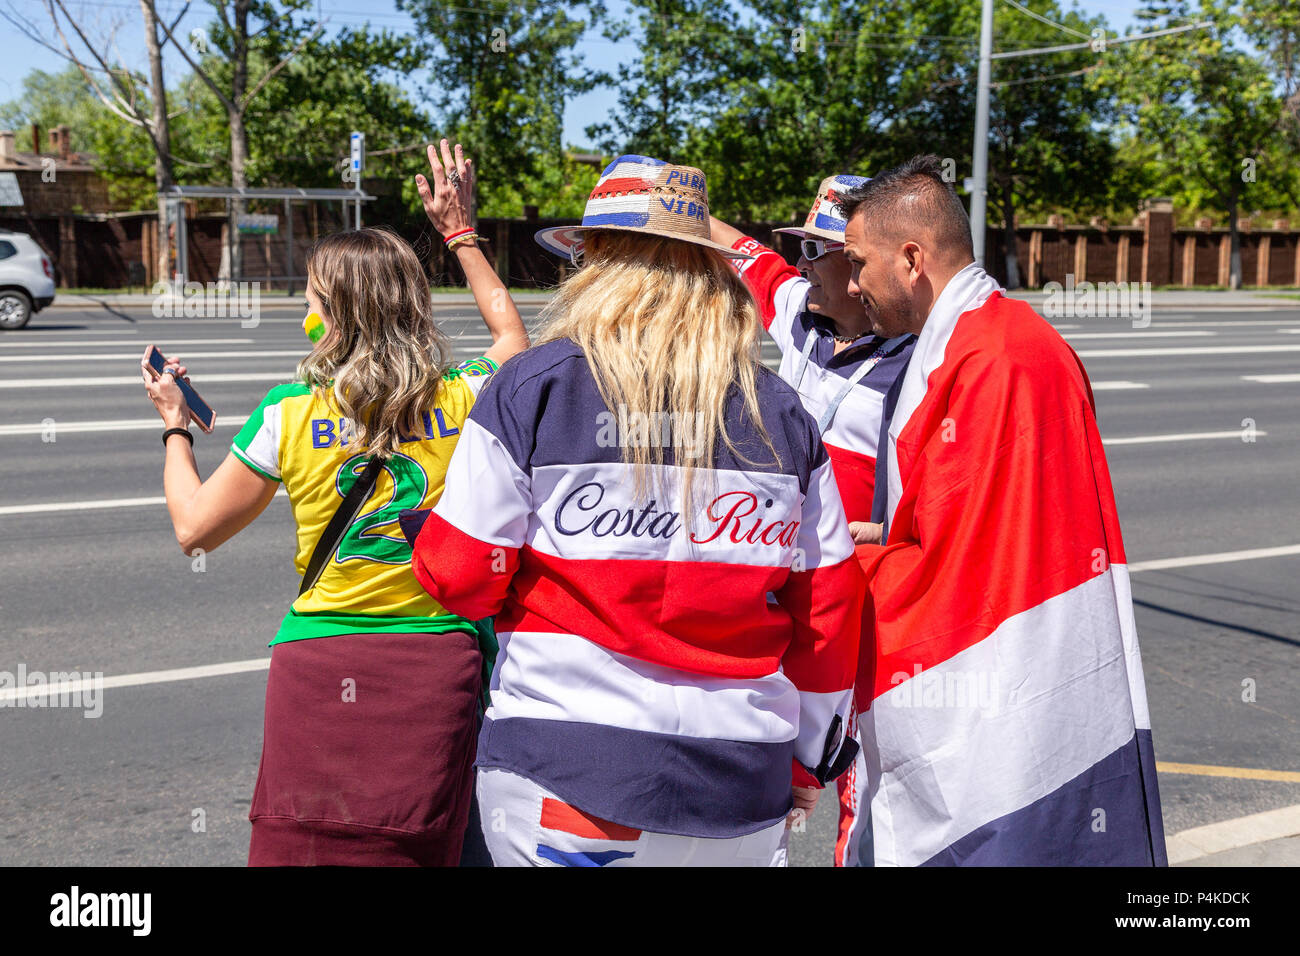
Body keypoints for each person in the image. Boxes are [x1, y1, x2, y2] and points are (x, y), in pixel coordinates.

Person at [403, 155, 864, 866]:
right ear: (710, 271)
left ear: (593, 260)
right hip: (740, 783)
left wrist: (425, 532)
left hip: (569, 765)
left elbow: (462, 576)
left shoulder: (535, 386)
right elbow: (828, 612)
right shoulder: (783, 414)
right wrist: (806, 760)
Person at [140, 140, 529, 866]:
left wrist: (172, 426)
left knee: (313, 847)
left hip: (318, 664)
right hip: (438, 664)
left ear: (334, 315)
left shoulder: (288, 413)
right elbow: (512, 335)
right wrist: (460, 233)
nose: (302, 317)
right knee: (434, 840)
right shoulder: (463, 393)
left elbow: (193, 529)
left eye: (312, 303)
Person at [839, 155, 1166, 866]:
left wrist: (842, 560)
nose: (852, 281)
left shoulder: (983, 358)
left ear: (912, 259)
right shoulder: (1010, 338)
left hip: (1002, 701)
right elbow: (974, 526)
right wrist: (890, 535)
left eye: (860, 262)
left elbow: (959, 575)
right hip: (1045, 669)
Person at [710, 176, 916, 865]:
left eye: (821, 253)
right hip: (781, 587)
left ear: (862, 269)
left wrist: (889, 532)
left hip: (861, 599)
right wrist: (667, 199)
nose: (800, 266)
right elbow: (737, 251)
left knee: (859, 785)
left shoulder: (920, 361)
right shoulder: (799, 309)